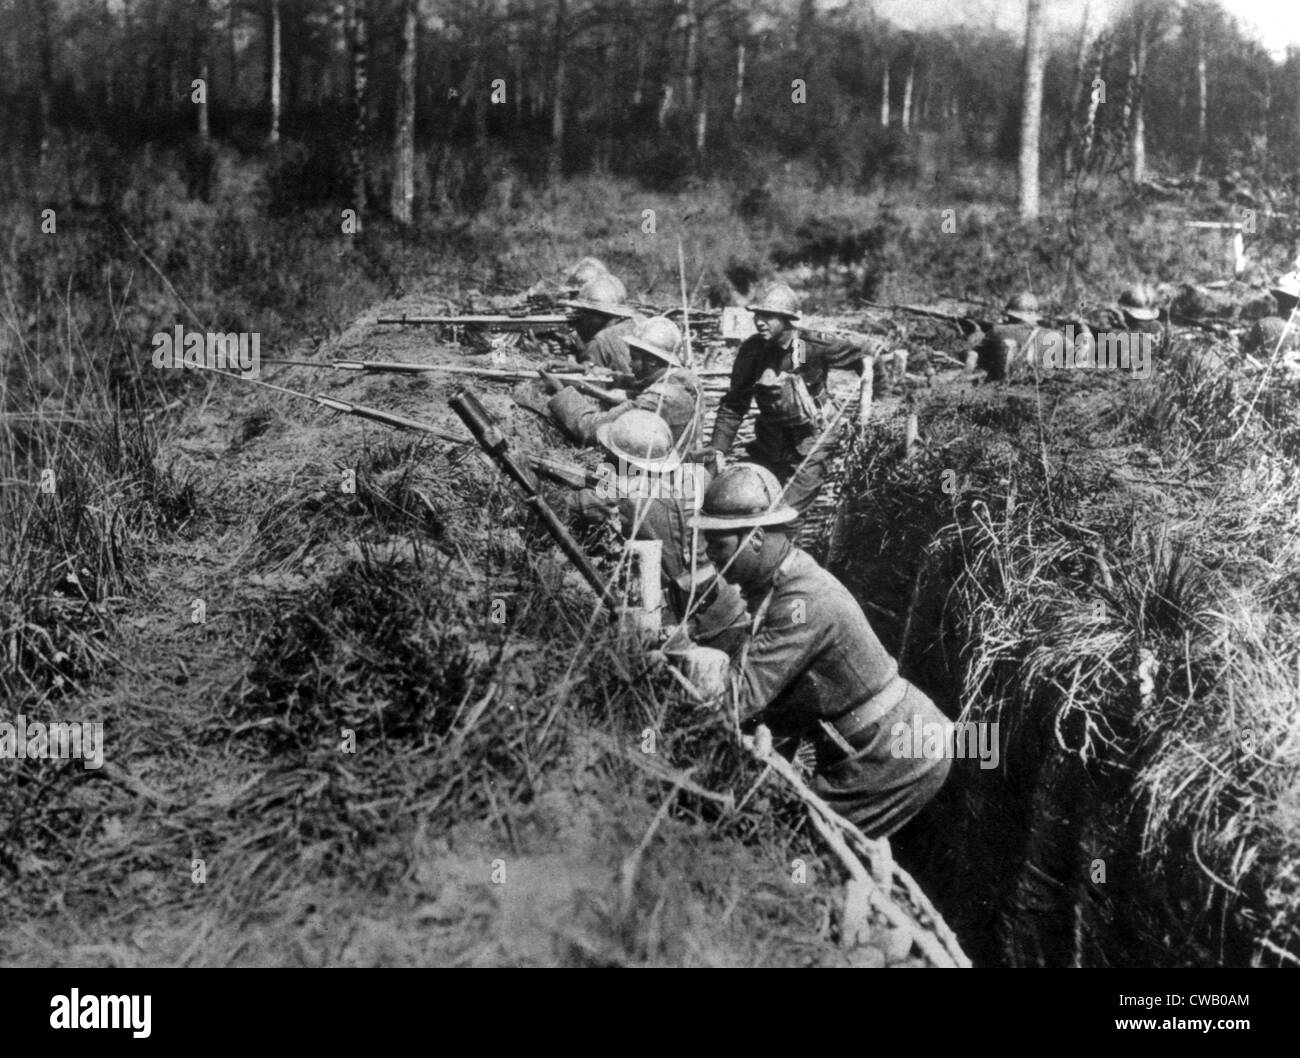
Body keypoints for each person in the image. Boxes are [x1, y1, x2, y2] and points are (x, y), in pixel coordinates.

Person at [689, 463, 952, 839]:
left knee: (794, 845)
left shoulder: (801, 600)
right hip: (878, 741)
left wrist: (689, 662)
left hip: (896, 751)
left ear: (756, 538)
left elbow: (737, 701)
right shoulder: (781, 585)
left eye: (718, 543)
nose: (710, 553)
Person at [701, 282, 880, 524]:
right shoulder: (752, 350)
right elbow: (735, 403)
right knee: (746, 500)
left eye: (769, 316)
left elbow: (867, 354)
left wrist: (877, 399)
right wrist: (719, 449)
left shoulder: (811, 346)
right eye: (758, 315)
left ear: (787, 319)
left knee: (786, 515)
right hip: (771, 440)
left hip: (813, 438)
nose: (760, 321)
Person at [578, 410, 748, 655]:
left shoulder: (624, 497)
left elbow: (581, 504)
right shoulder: (701, 476)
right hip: (728, 605)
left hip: (679, 624)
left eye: (610, 455)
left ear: (623, 461)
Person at [546, 316, 703, 449]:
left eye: (633, 357)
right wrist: (581, 369)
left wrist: (561, 392)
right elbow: (629, 382)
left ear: (652, 361)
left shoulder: (656, 400)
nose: (629, 364)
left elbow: (590, 428)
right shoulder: (683, 378)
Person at [560, 274, 644, 374]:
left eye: (585, 313)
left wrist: (574, 352)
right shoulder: (639, 322)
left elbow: (588, 377)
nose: (582, 319)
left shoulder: (599, 341)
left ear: (596, 314)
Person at [965, 292, 1043, 382]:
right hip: (1030, 379)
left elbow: (975, 350)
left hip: (998, 380)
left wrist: (976, 332)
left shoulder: (998, 330)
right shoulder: (1043, 334)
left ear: (1011, 314)